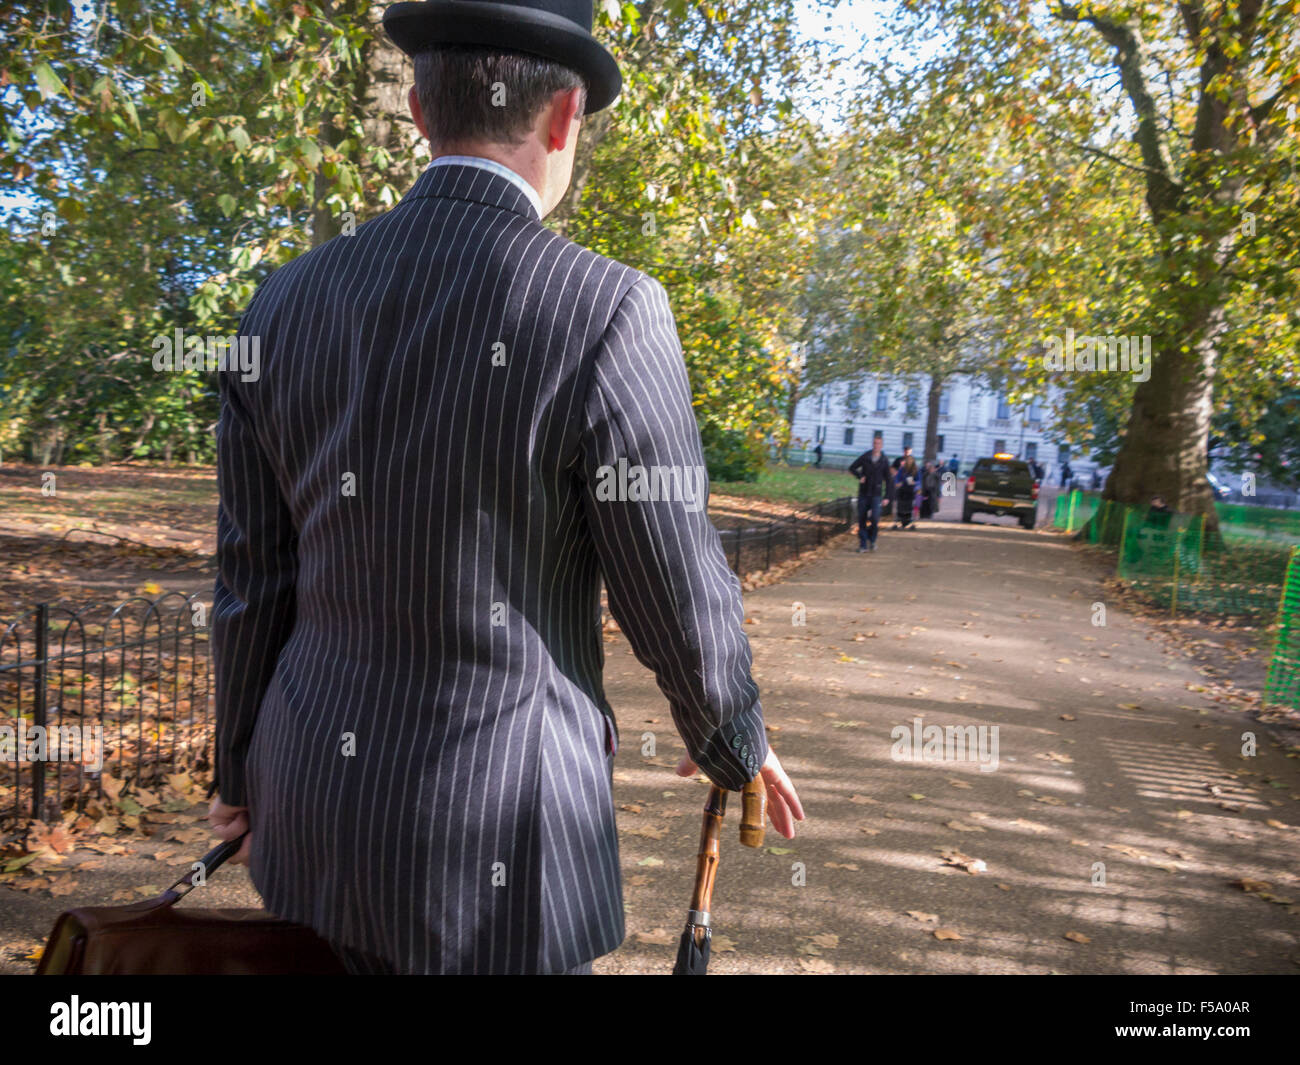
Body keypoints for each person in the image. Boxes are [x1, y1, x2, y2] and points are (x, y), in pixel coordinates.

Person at [206, 0, 803, 977]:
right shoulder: (609, 309)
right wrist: (732, 732)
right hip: (499, 837)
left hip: (312, 799)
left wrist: (239, 769)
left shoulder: (280, 302)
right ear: (564, 118)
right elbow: (670, 575)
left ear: (416, 108)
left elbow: (252, 578)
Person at [849, 437, 893, 552]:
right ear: (872, 444)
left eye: (878, 443)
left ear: (881, 445)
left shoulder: (884, 460)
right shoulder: (865, 457)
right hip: (864, 492)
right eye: (875, 443)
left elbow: (888, 480)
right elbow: (852, 467)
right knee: (862, 518)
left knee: (875, 518)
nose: (876, 445)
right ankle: (863, 544)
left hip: (876, 494)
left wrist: (887, 497)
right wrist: (860, 476)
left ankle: (872, 540)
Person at [894, 455, 919, 529]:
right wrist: (898, 483)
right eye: (908, 460)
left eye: (910, 460)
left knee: (909, 506)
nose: (909, 462)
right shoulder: (902, 469)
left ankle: (909, 521)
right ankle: (899, 521)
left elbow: (919, 480)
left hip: (910, 491)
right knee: (900, 506)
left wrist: (915, 483)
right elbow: (897, 479)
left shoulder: (916, 470)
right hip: (902, 490)